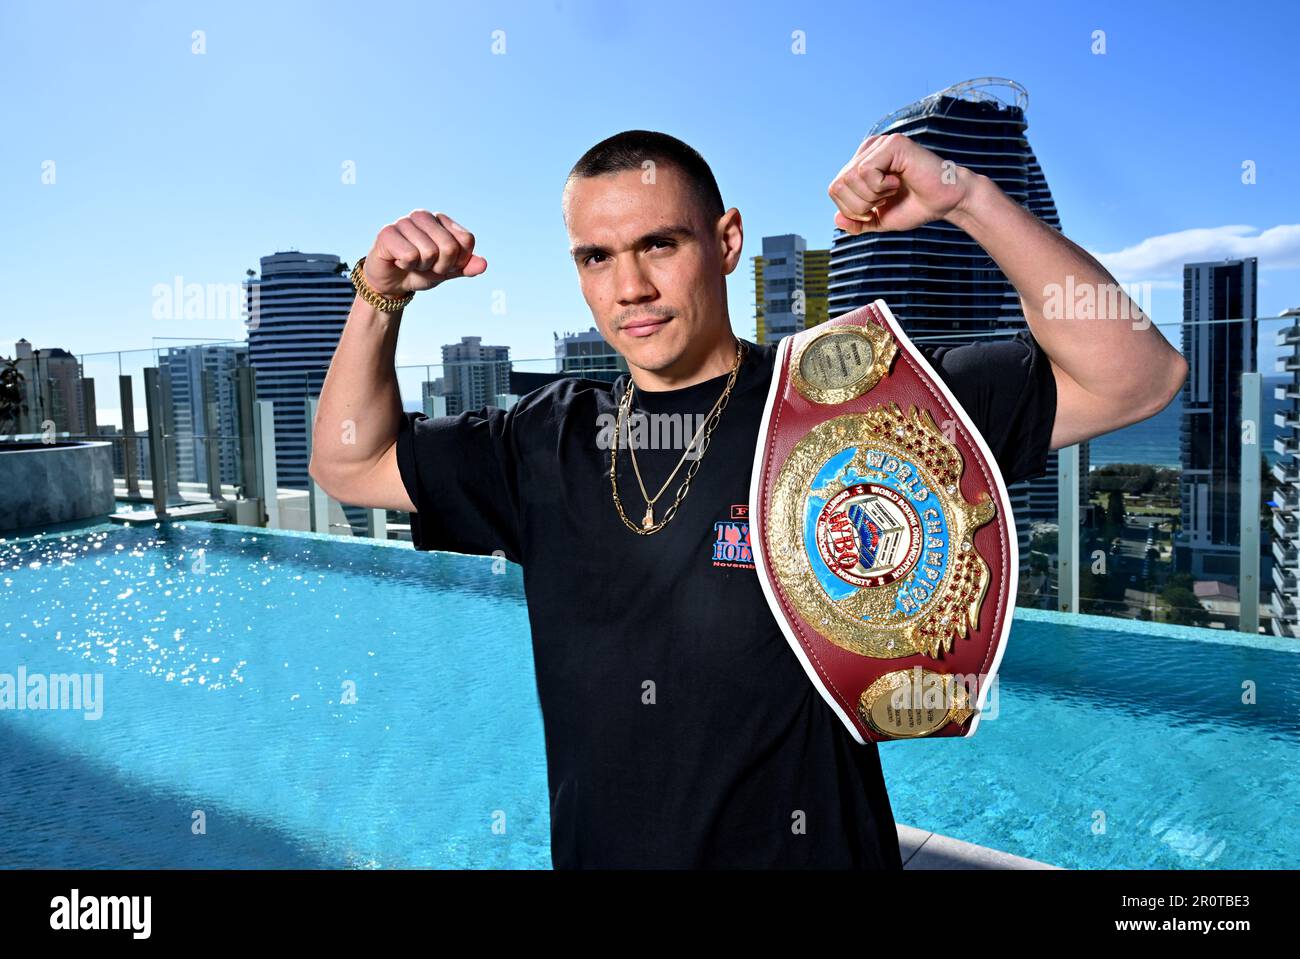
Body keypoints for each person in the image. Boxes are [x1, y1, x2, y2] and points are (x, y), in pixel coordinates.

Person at [308, 129, 1187, 869]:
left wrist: (968, 199)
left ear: (726, 241)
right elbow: (351, 464)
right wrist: (379, 297)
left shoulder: (857, 396)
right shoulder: (545, 439)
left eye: (661, 243)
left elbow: (1140, 378)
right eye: (596, 257)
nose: (631, 287)